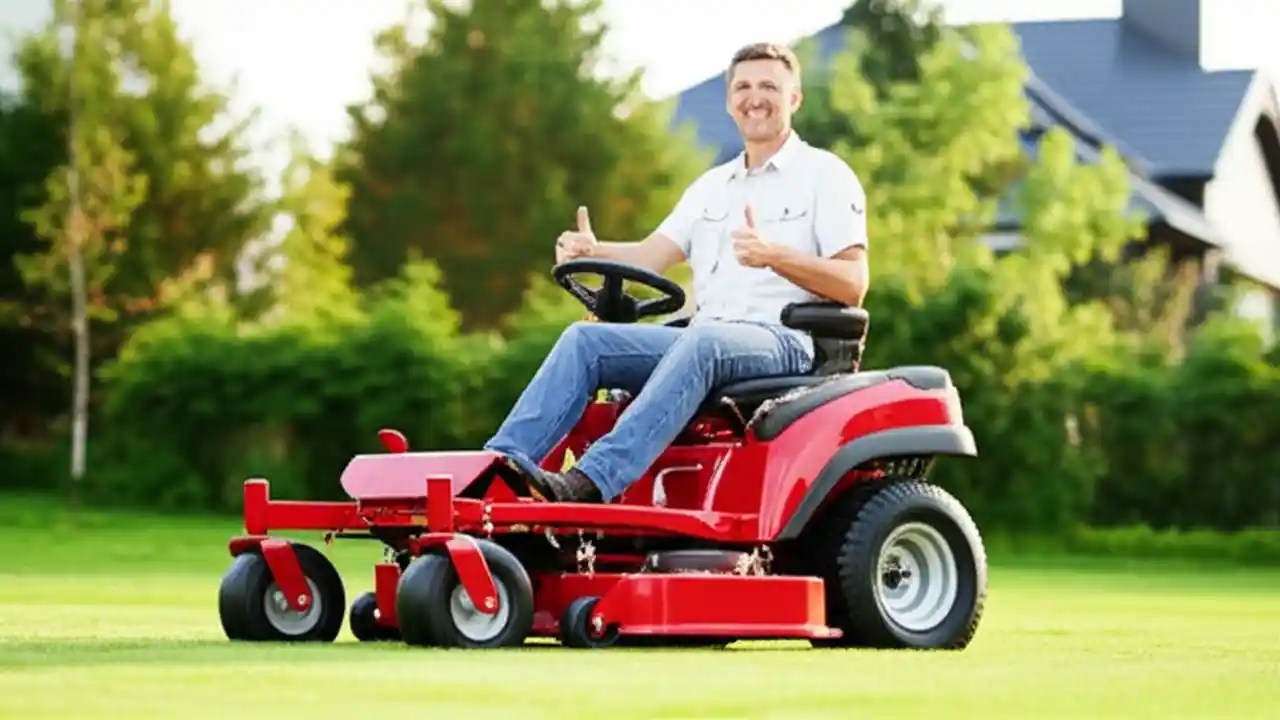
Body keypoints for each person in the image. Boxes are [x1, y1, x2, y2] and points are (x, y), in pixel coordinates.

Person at [484, 41, 870, 503]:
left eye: (769, 85)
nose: (755, 97)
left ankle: (591, 482)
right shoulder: (712, 187)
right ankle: (498, 470)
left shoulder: (825, 175)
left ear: (794, 98)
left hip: (783, 340)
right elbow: (651, 256)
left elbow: (853, 283)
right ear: (730, 102)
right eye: (743, 86)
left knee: (703, 342)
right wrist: (593, 247)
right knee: (584, 341)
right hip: (703, 339)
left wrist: (774, 255)